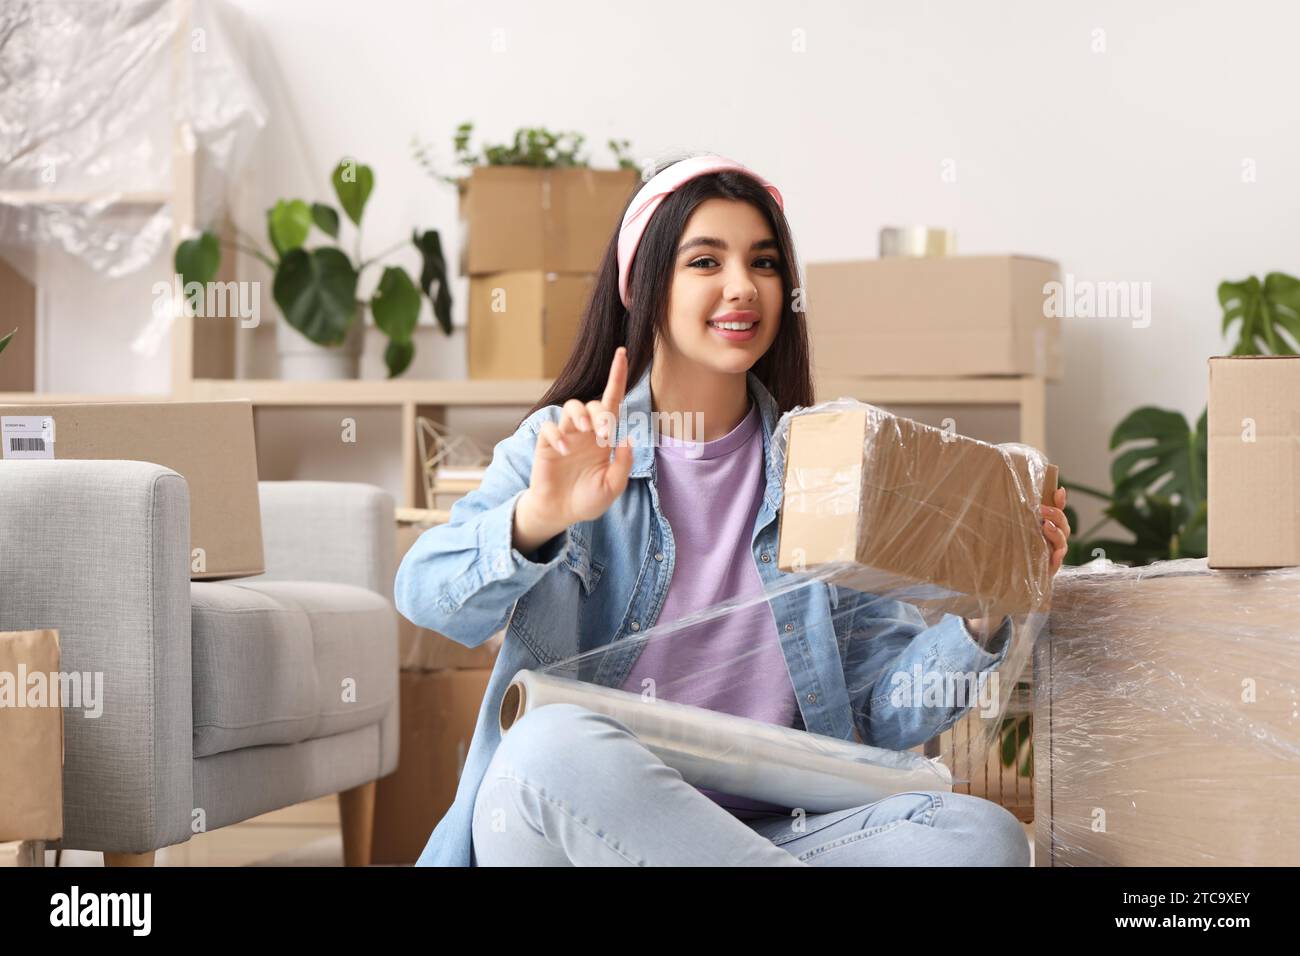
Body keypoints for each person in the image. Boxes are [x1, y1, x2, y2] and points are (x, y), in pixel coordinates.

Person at [395, 153, 1071, 867]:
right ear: (647, 286)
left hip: (773, 834)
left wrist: (983, 612)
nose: (743, 287)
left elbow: (883, 714)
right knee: (547, 747)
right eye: (706, 262)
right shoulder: (565, 447)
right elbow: (425, 597)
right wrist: (537, 516)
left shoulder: (827, 475)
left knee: (978, 835)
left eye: (765, 263)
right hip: (579, 821)